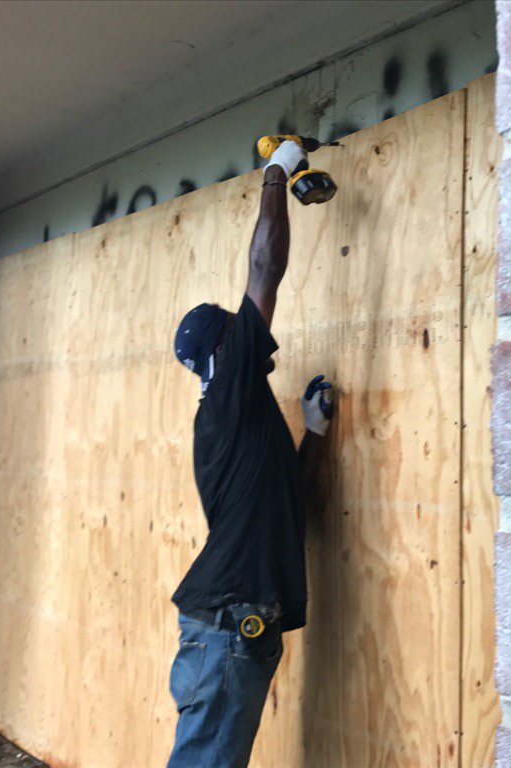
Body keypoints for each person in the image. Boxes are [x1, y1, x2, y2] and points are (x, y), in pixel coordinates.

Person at [166, 139, 334, 768]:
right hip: (229, 627)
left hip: (232, 627)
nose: (255, 334)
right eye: (239, 328)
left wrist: (314, 434)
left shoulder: (237, 414)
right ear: (226, 348)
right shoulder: (228, 389)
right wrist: (275, 174)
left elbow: (287, 503)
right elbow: (265, 269)